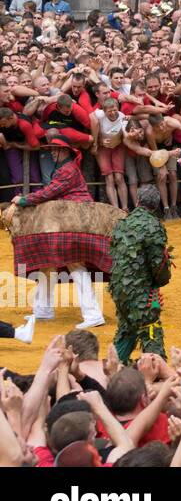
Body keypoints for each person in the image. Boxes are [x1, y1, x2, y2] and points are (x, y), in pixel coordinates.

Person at [9, 133, 109, 340]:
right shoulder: (66, 169)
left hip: (74, 222)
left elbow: (48, 193)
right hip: (68, 221)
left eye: (54, 150)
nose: (52, 153)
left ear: (65, 151)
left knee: (74, 264)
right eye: (51, 150)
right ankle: (43, 310)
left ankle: (93, 314)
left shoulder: (67, 169)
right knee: (50, 262)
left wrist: (23, 200)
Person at [107, 183, 172, 362]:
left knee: (127, 328)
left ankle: (113, 369)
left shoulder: (123, 223)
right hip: (141, 293)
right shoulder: (153, 226)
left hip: (119, 290)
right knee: (150, 329)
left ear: (137, 201)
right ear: (156, 205)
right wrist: (161, 281)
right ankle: (157, 376)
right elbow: (158, 265)